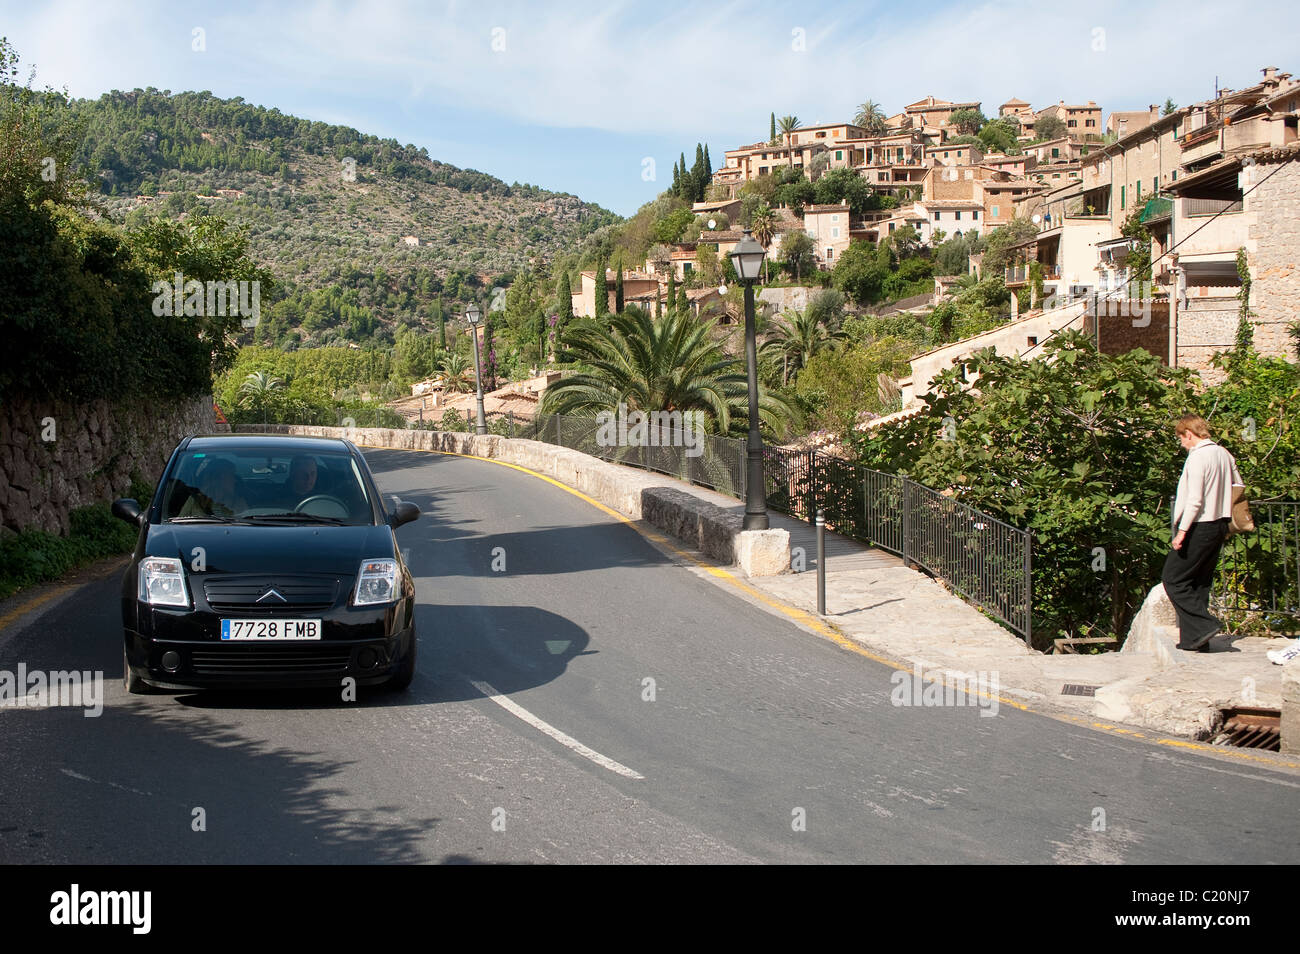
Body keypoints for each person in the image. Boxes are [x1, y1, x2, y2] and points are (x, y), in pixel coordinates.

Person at [1162, 414, 1243, 652]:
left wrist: (1182, 531)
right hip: (1220, 523)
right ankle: (1195, 640)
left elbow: (1195, 501)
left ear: (1188, 433)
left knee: (1173, 579)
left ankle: (1205, 625)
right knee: (1199, 581)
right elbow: (1237, 485)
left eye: (1181, 438)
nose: (1181, 444)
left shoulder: (1197, 458)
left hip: (1199, 525)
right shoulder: (1223, 453)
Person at [179, 458, 246, 517]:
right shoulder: (195, 499)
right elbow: (179, 522)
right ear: (220, 478)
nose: (235, 480)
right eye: (232, 475)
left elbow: (245, 522)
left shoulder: (237, 501)